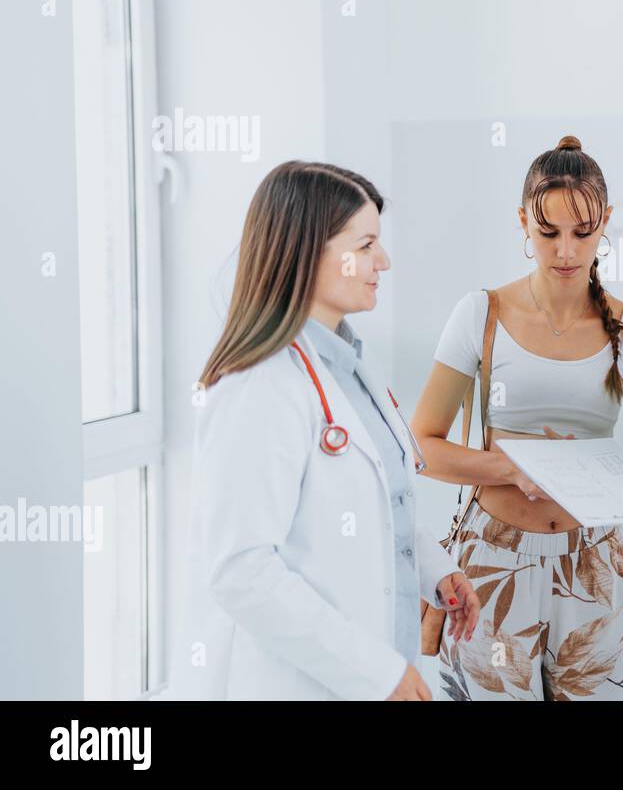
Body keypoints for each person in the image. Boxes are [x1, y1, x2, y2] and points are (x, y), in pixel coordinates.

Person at [170, 161, 479, 701]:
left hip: (375, 668)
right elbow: (241, 570)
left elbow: (375, 506)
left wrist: (435, 570)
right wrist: (376, 673)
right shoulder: (260, 384)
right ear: (310, 250)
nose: (382, 261)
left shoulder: (351, 367)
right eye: (364, 246)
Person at [410, 136, 623, 701]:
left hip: (596, 559)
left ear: (606, 224)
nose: (566, 251)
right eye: (547, 232)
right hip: (490, 561)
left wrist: (582, 468)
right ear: (522, 222)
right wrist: (510, 469)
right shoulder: (481, 313)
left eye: (583, 232)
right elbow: (421, 446)